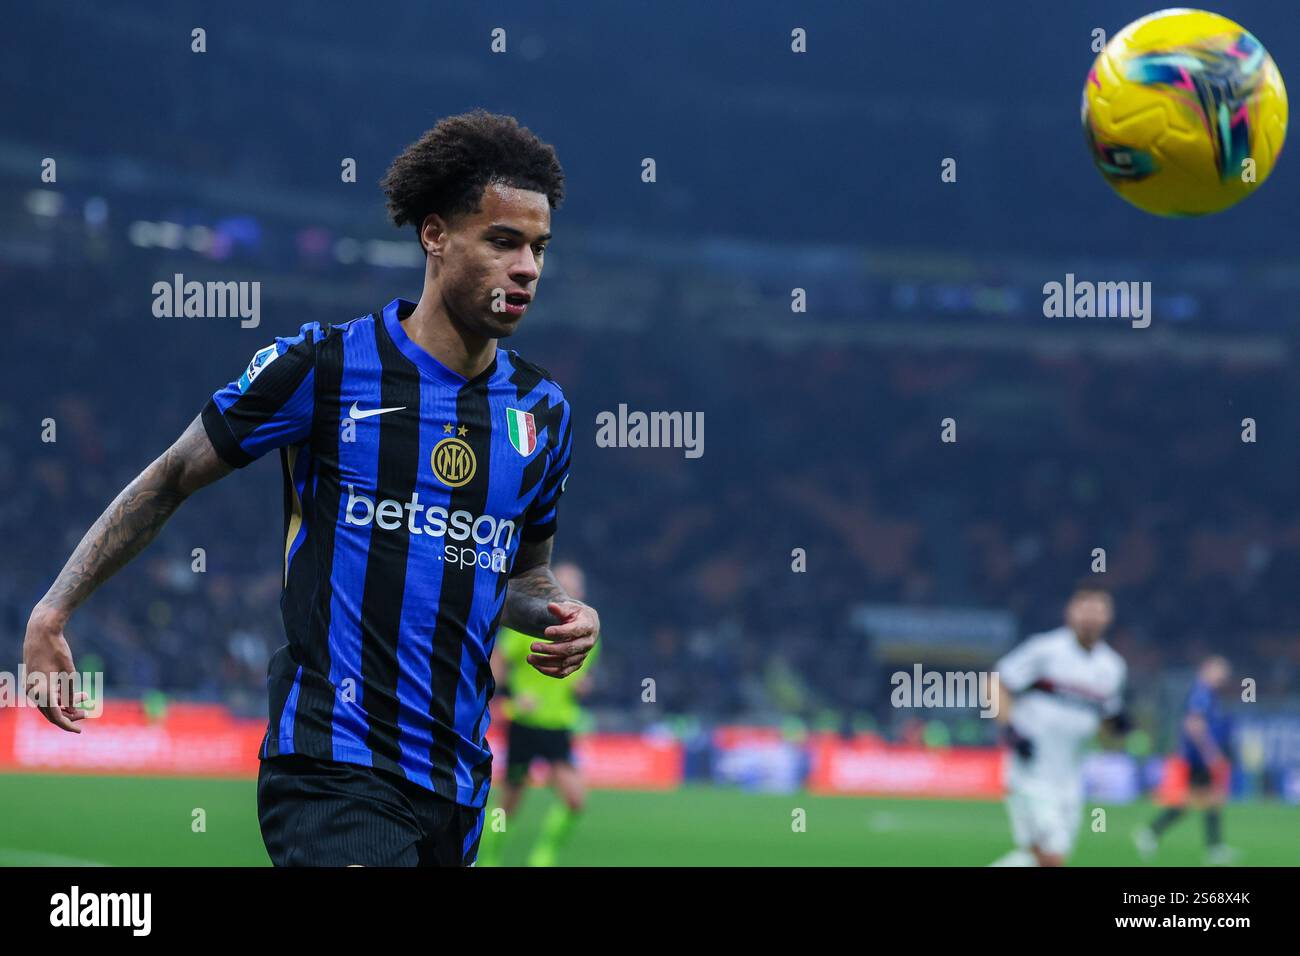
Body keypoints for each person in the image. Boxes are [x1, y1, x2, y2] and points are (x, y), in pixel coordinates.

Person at [22, 109, 599, 867]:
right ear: (434, 235)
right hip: (333, 765)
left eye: (538, 247)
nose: (526, 267)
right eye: (502, 241)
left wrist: (561, 615)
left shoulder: (541, 412)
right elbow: (170, 479)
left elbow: (521, 575)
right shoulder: (326, 368)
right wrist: (54, 608)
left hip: (457, 785)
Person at [988, 582, 1128, 867]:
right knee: (1052, 858)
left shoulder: (1112, 667)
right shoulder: (1045, 650)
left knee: (1039, 860)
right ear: (1070, 613)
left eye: (1097, 610)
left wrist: (1117, 732)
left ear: (1108, 617)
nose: (1090, 617)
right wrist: (1009, 729)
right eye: (1084, 608)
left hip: (1071, 777)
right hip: (1033, 770)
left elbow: (1107, 732)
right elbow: (995, 682)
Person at [479, 562, 598, 867]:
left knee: (574, 800)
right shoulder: (533, 625)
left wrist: (581, 685)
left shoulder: (586, 632)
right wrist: (509, 697)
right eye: (569, 585)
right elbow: (500, 661)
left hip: (557, 725)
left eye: (578, 586)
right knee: (508, 807)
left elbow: (578, 678)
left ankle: (543, 857)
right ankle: (489, 858)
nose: (575, 591)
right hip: (525, 723)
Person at [1133, 655, 1238, 865]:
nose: (1223, 677)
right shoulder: (1202, 693)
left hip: (1197, 757)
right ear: (1207, 669)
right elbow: (1193, 724)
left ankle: (1152, 833)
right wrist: (1210, 752)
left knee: (1199, 801)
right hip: (1198, 758)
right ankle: (1212, 848)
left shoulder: (1207, 693)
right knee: (1209, 800)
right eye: (1220, 671)